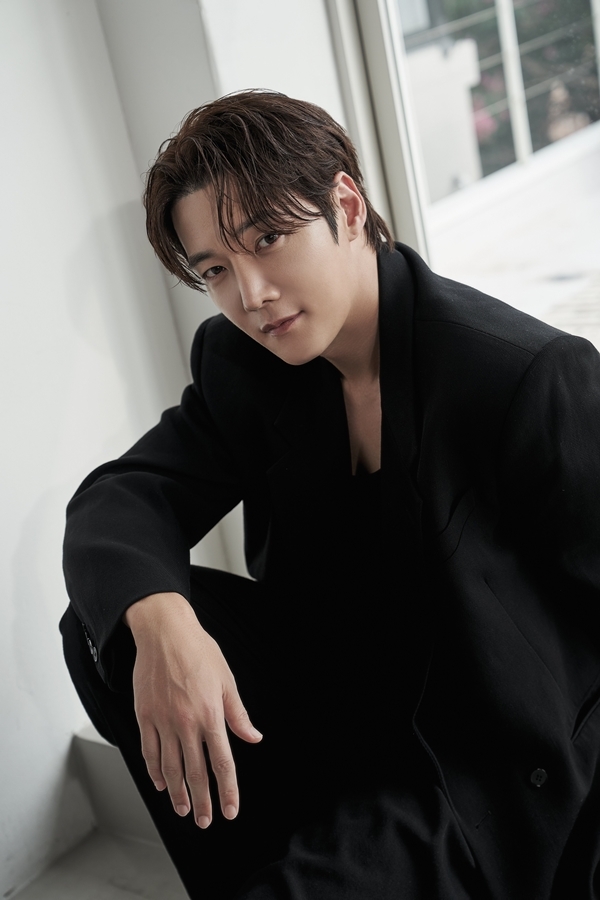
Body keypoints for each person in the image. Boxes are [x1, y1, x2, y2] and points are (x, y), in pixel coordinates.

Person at [61, 90, 600, 899]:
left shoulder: (521, 376)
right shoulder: (245, 363)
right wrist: (165, 622)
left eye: (267, 239)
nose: (250, 294)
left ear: (346, 207)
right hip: (340, 702)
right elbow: (124, 497)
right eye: (215, 270)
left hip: (472, 756)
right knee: (111, 631)